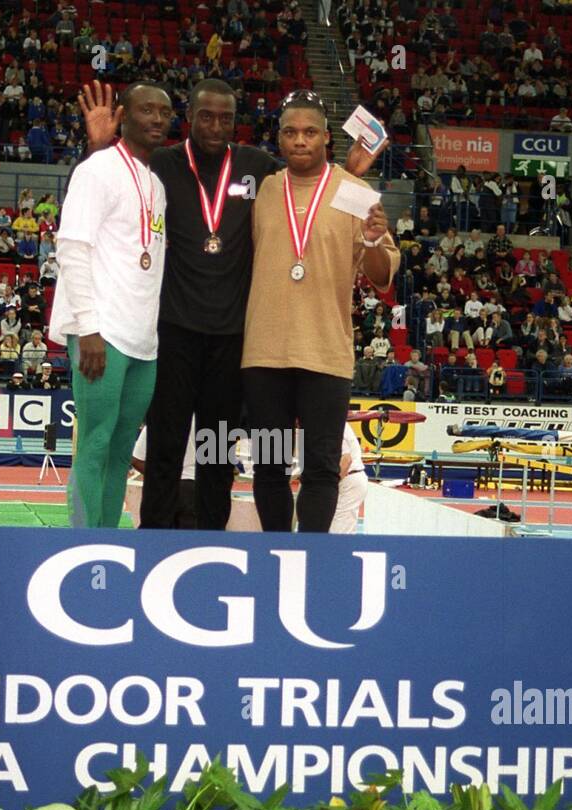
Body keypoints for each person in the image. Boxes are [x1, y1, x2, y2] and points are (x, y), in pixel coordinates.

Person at [78, 79, 384, 530]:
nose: (215, 125)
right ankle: (153, 540)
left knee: (218, 452)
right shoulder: (165, 165)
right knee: (169, 446)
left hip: (240, 343)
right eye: (206, 116)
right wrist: (99, 148)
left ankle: (213, 538)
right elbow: (105, 188)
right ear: (190, 117)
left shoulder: (256, 168)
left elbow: (321, 197)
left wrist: (354, 176)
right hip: (181, 334)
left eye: (225, 118)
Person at [241, 92, 399, 532]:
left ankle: (308, 557)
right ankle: (276, 553)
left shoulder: (353, 193)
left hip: (326, 354)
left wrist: (370, 240)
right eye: (290, 132)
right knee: (269, 467)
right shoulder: (266, 190)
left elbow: (383, 275)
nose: (300, 141)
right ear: (278, 139)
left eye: (310, 132)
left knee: (322, 468)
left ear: (327, 138)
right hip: (264, 354)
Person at [49, 81, 172, 528]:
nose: (156, 119)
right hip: (102, 332)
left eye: (164, 112)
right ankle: (80, 543)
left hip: (143, 340)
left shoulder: (155, 185)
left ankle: (108, 540)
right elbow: (72, 247)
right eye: (146, 110)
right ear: (124, 114)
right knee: (95, 443)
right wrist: (88, 327)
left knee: (121, 451)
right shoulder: (97, 169)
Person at [131, 420, 198, 528]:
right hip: (195, 489)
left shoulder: (160, 418)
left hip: (163, 489)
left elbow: (136, 460)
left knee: (156, 539)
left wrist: (160, 477)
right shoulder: (212, 419)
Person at [331, 424, 368, 534]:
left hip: (348, 480)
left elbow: (346, 461)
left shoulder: (331, 420)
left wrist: (328, 488)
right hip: (341, 479)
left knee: (339, 534)